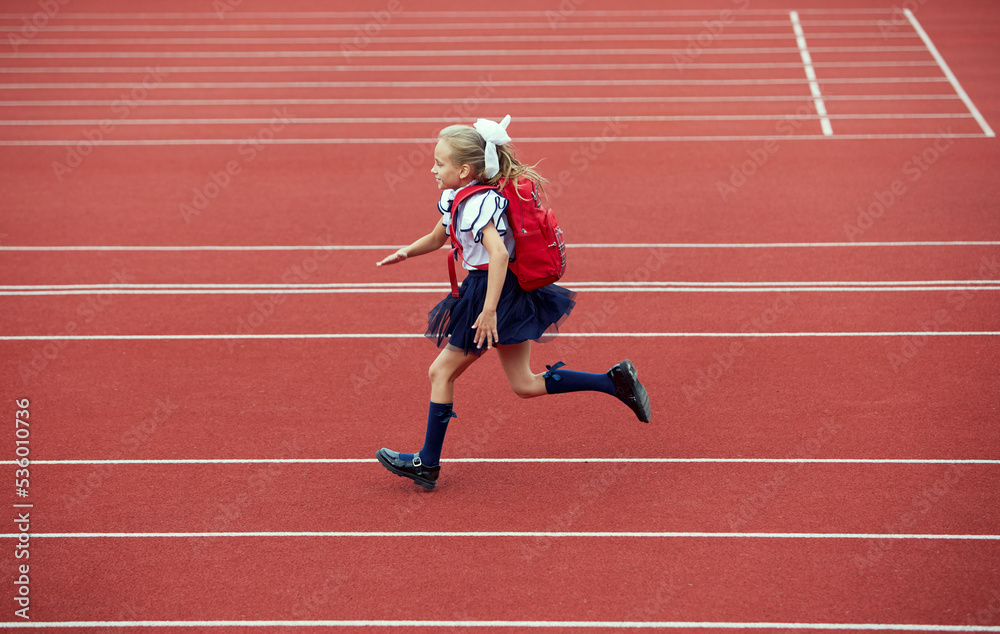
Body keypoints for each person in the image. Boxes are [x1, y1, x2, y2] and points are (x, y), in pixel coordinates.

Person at [374, 116, 650, 490]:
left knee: (440, 373)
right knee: (524, 384)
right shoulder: (462, 197)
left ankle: (427, 463)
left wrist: (489, 311)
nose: (433, 169)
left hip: (490, 292)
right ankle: (612, 382)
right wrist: (407, 252)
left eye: (439, 163)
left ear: (464, 170)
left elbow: (499, 254)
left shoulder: (477, 203)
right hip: (507, 291)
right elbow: (439, 237)